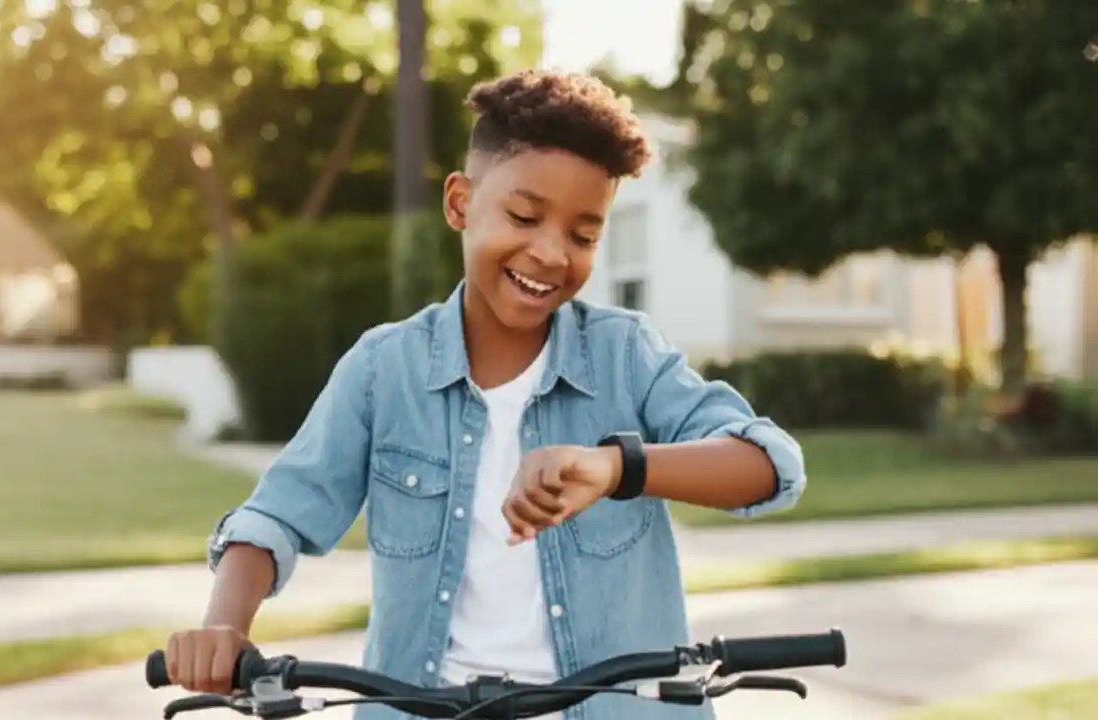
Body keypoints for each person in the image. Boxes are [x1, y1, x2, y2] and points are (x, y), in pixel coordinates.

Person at [163, 69, 806, 720]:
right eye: (524, 216)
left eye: (584, 235)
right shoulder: (384, 370)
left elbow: (766, 464)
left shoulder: (627, 356)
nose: (552, 254)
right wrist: (224, 626)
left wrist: (616, 466)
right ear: (460, 203)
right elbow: (275, 517)